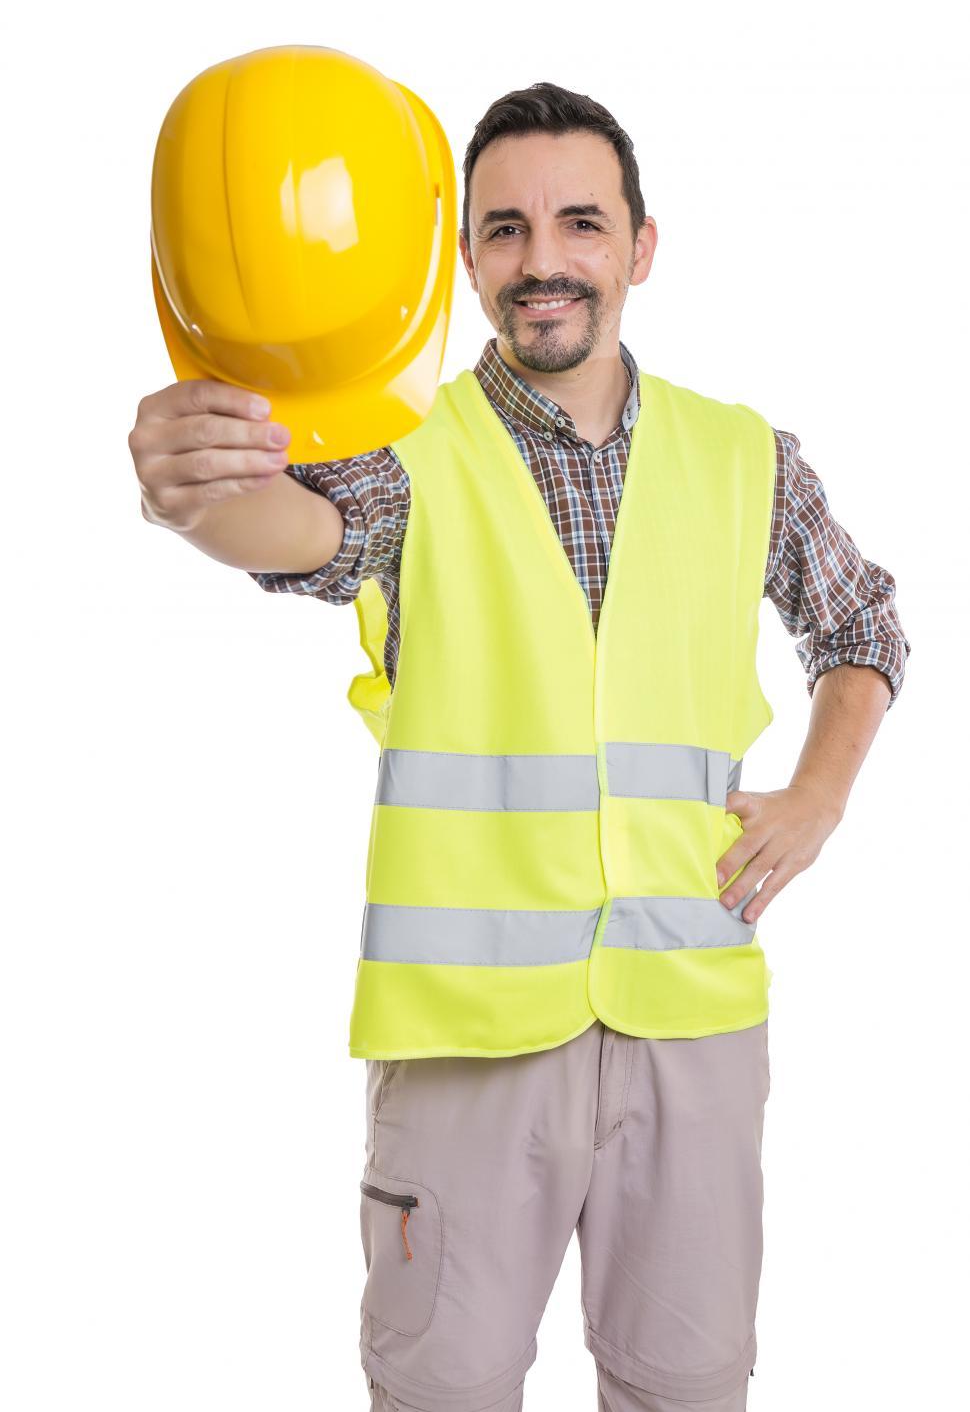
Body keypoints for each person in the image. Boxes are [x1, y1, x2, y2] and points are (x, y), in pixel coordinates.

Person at [128, 83, 910, 1411]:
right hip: (469, 1042)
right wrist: (196, 492)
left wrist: (819, 796)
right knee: (445, 1387)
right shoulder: (403, 455)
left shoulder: (743, 458)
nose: (542, 258)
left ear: (638, 247)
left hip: (690, 1024)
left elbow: (860, 622)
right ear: (469, 260)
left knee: (687, 1384)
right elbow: (296, 533)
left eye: (578, 223)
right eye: (503, 229)